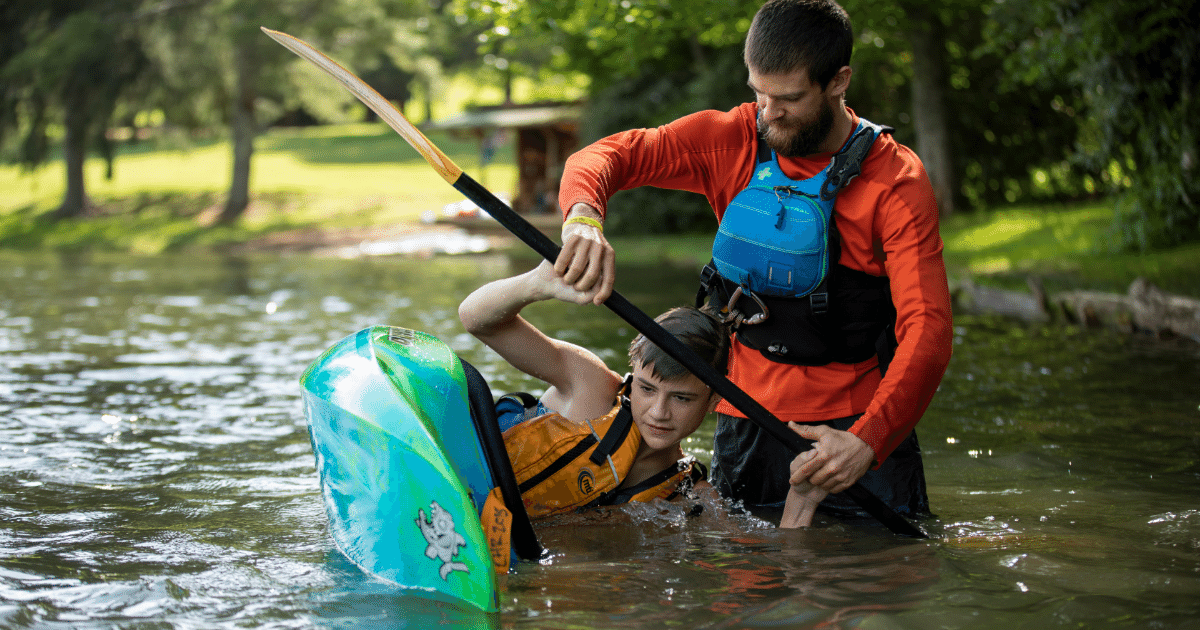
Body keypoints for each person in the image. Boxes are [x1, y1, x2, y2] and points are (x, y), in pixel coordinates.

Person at [551, 0, 953, 524]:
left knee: (874, 586)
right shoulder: (732, 138)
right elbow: (606, 156)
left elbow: (929, 327)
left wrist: (868, 440)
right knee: (743, 590)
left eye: (788, 97)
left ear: (839, 81)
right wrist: (583, 216)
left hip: (853, 430)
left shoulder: (894, 180)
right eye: (758, 93)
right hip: (746, 422)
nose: (769, 112)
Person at [458, 260, 794, 520]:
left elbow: (767, 560)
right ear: (633, 373)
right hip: (464, 476)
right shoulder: (590, 385)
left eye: (681, 398)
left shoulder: (690, 496)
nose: (658, 412)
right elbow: (476, 318)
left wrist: (803, 498)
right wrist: (534, 285)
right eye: (647, 389)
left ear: (714, 401)